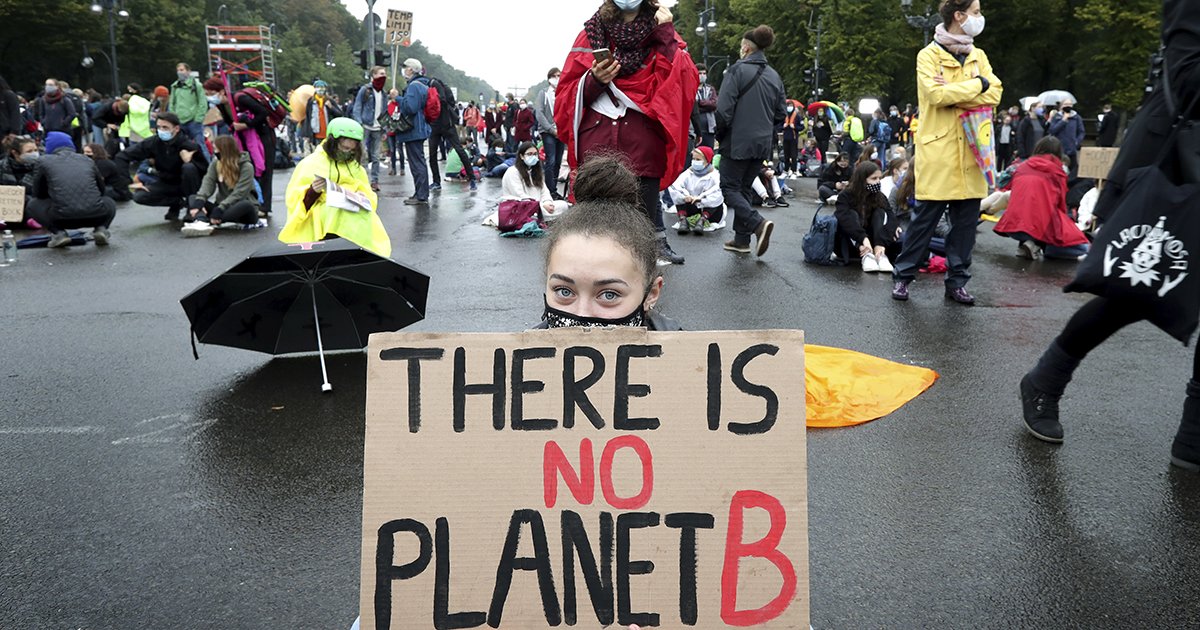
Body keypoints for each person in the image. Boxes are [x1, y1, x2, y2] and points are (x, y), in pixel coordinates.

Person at [1018, 0, 1200, 468]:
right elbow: (1186, 75)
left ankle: (1193, 439)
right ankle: (1046, 378)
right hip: (1177, 161)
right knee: (1136, 291)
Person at [554, 0, 699, 266]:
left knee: (638, 242)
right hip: (596, 150)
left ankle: (636, 302)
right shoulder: (590, 33)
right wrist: (594, 81)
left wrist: (666, 34)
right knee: (592, 235)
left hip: (642, 150)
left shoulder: (664, 32)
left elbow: (681, 85)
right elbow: (565, 94)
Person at [890, 0, 1002, 306]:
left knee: (965, 228)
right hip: (939, 153)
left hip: (972, 153)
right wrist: (977, 85)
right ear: (959, 15)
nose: (980, 17)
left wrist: (962, 91)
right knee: (923, 223)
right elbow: (936, 95)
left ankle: (957, 282)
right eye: (976, 12)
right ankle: (903, 276)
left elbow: (995, 93)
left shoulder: (978, 55)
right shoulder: (928, 56)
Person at [537, 156, 678, 331]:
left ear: (651, 294)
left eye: (609, 295)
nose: (582, 316)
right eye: (564, 291)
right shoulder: (519, 354)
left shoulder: (690, 355)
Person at [714, 25, 784, 257]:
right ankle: (742, 240)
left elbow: (723, 110)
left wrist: (719, 136)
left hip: (737, 141)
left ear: (746, 47)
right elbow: (781, 114)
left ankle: (758, 224)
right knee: (743, 188)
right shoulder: (774, 76)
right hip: (762, 143)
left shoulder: (736, 70)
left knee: (728, 188)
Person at [280, 118, 390, 257]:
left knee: (367, 218)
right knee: (333, 212)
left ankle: (363, 256)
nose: (347, 153)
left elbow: (369, 197)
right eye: (344, 148)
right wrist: (312, 191)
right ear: (332, 142)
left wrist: (363, 197)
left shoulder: (356, 167)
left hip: (354, 211)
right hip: (323, 217)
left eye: (351, 150)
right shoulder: (310, 163)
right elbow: (294, 201)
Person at [993, 136, 1089, 260]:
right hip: (1039, 227)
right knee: (1082, 247)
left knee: (1033, 211)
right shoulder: (1057, 172)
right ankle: (1039, 246)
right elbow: (1060, 204)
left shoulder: (1021, 167)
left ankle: (1028, 244)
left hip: (1012, 224)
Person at [27, 132, 116, 247]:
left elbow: (38, 193)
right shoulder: (87, 160)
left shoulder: (43, 161)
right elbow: (101, 189)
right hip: (96, 215)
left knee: (33, 204)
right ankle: (101, 229)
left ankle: (59, 233)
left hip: (61, 218)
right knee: (109, 200)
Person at [206, 77, 277, 216]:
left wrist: (247, 125)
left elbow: (263, 113)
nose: (209, 97)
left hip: (263, 137)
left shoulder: (240, 99)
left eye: (210, 93)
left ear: (221, 91)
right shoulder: (221, 105)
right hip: (245, 139)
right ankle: (255, 201)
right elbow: (230, 123)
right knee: (250, 170)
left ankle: (265, 207)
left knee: (265, 170)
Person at [114, 112, 207, 220]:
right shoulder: (154, 142)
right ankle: (177, 203)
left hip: (188, 184)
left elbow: (205, 169)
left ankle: (192, 208)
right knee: (139, 196)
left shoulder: (189, 145)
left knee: (189, 168)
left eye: (165, 127)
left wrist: (190, 161)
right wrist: (128, 182)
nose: (161, 130)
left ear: (176, 129)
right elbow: (122, 156)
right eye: (159, 127)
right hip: (166, 182)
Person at [180, 135, 264, 236]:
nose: (215, 152)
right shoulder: (216, 164)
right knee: (193, 198)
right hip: (221, 207)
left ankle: (210, 219)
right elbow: (208, 183)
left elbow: (240, 193)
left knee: (246, 204)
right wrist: (200, 201)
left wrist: (221, 208)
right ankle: (202, 222)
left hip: (240, 209)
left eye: (216, 149)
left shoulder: (246, 166)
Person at [836, 161, 900, 273]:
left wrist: (880, 243)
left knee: (880, 212)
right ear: (862, 180)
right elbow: (844, 219)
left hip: (875, 242)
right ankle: (867, 254)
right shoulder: (846, 196)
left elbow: (891, 217)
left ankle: (879, 253)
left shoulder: (879, 197)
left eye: (879, 178)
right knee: (851, 215)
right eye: (874, 179)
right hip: (852, 242)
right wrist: (863, 239)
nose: (878, 182)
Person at [425, 74, 478, 192]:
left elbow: (441, 101)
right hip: (447, 123)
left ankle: (436, 181)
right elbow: (448, 102)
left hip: (436, 123)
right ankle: (472, 178)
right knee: (459, 149)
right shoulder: (444, 87)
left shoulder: (432, 85)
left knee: (432, 154)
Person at [395, 58, 433, 206]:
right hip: (420, 128)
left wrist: (397, 98)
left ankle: (421, 195)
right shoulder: (422, 84)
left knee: (417, 163)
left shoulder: (414, 86)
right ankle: (420, 193)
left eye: (405, 67)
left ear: (411, 69)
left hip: (414, 129)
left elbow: (410, 107)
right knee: (419, 162)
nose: (404, 70)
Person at [501, 141, 568, 221]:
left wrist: (547, 203)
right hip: (520, 206)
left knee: (563, 205)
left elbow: (544, 191)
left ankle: (539, 215)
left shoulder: (535, 172)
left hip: (539, 206)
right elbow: (519, 195)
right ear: (521, 156)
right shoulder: (512, 171)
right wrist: (540, 206)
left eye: (535, 154)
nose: (533, 156)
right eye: (529, 154)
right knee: (533, 212)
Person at [667, 145, 723, 234]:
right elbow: (675, 186)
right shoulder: (688, 173)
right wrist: (685, 196)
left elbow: (718, 193)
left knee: (716, 200)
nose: (695, 162)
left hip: (711, 213)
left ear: (707, 161)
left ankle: (702, 220)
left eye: (698, 160)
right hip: (692, 208)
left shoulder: (715, 175)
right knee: (679, 196)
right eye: (694, 159)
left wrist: (701, 199)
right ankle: (683, 220)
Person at [350, 66, 390, 192]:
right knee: (360, 154)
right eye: (381, 74)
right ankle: (358, 180)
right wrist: (359, 123)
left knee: (376, 156)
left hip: (378, 127)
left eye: (385, 74)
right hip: (365, 125)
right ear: (374, 75)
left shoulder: (383, 93)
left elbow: (385, 112)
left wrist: (385, 129)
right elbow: (357, 106)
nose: (383, 76)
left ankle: (374, 181)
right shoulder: (365, 90)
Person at [535, 68, 566, 199]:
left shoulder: (563, 92)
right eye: (554, 76)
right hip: (548, 131)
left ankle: (553, 188)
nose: (557, 78)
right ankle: (549, 190)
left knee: (558, 161)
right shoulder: (544, 93)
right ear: (549, 78)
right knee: (551, 160)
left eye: (559, 75)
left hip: (561, 130)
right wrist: (551, 130)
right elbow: (539, 113)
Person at [0, 134, 39, 225]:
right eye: (29, 151)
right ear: (15, 153)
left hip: (31, 205)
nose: (34, 154)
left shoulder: (40, 167)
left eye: (36, 150)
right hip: (6, 207)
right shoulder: (2, 167)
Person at [303, 80, 344, 154]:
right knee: (317, 154)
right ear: (314, 88)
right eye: (318, 87)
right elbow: (308, 117)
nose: (320, 89)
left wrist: (331, 107)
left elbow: (340, 114)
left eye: (322, 87)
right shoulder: (311, 101)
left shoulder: (329, 100)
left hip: (328, 133)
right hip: (315, 133)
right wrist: (307, 134)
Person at [1047, 98, 1085, 178]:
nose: (1068, 106)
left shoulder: (1077, 117)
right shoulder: (1057, 117)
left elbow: (1081, 132)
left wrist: (1077, 142)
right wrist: (1063, 120)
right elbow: (1052, 131)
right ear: (1061, 106)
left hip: (1072, 149)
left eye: (1070, 104)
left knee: (1073, 172)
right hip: (1059, 149)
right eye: (1065, 104)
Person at [691, 63, 718, 148]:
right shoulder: (691, 88)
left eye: (704, 73)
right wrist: (706, 106)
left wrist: (699, 102)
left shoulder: (710, 89)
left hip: (709, 128)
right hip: (695, 129)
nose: (702, 76)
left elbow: (714, 104)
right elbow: (692, 107)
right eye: (700, 73)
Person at [384, 89, 407, 177]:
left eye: (394, 94)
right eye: (391, 94)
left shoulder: (400, 103)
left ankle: (402, 168)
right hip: (390, 131)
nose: (392, 95)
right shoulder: (388, 104)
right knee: (392, 150)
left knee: (400, 150)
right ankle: (393, 168)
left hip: (398, 130)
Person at [781, 101, 802, 177]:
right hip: (786, 137)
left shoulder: (797, 116)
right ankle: (786, 170)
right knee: (786, 155)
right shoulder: (784, 116)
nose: (789, 107)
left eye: (791, 105)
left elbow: (802, 127)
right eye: (788, 105)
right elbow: (778, 126)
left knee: (794, 155)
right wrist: (783, 126)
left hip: (793, 138)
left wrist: (795, 127)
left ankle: (793, 171)